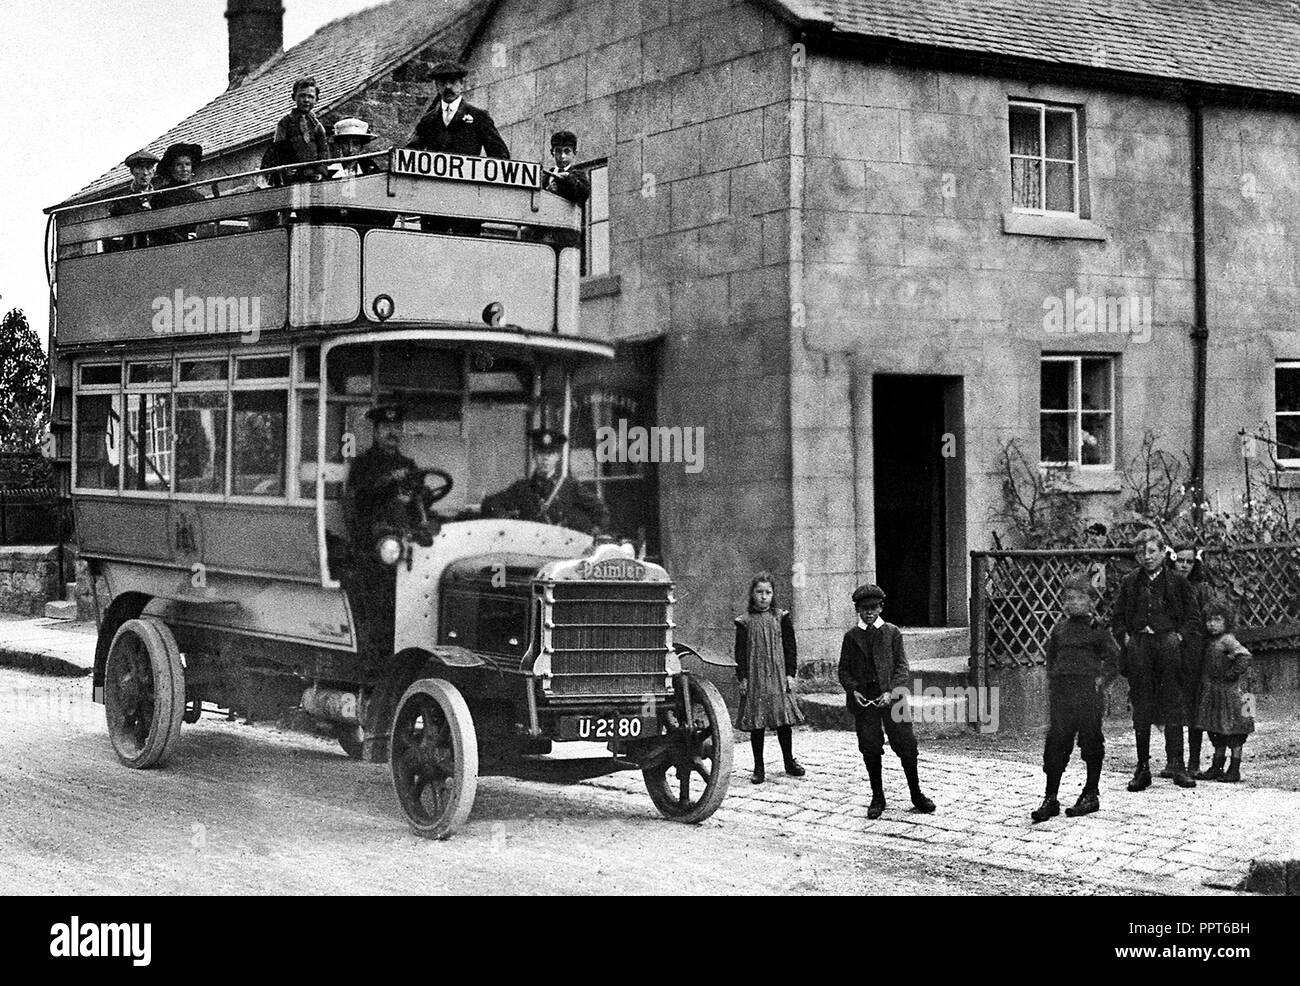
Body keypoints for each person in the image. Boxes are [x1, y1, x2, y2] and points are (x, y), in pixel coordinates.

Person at [1111, 528, 1203, 791]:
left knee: (1173, 702)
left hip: (1168, 648)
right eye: (1141, 552)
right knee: (1142, 706)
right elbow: (1117, 618)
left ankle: (1178, 765)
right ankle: (1142, 768)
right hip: (1140, 648)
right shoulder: (1130, 582)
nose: (1147, 557)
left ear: (1163, 553)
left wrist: (1179, 638)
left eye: (1152, 551)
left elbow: (1193, 618)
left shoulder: (1177, 582)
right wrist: (1127, 640)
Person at [837, 583, 935, 819]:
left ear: (881, 608)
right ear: (857, 610)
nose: (869, 613)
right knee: (870, 746)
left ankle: (916, 793)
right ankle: (877, 796)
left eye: (873, 608)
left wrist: (891, 692)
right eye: (864, 608)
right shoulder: (851, 637)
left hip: (893, 698)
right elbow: (843, 670)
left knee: (906, 745)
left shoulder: (892, 633)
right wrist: (853, 690)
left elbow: (902, 667)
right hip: (866, 701)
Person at [1031, 573, 1120, 822]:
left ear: (1091, 601)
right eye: (1069, 598)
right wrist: (1054, 680)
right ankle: (1051, 797)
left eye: (1080, 598)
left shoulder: (1098, 630)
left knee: (1091, 741)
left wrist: (1101, 681)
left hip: (1088, 694)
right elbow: (1051, 659)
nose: (1074, 603)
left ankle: (1091, 793)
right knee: (1057, 742)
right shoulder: (1060, 629)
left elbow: (1114, 659)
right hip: (1063, 693)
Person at [733, 572, 805, 784]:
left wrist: (790, 674)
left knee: (783, 722)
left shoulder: (781, 617)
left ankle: (789, 762)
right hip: (756, 678)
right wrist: (743, 678)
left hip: (777, 675)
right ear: (752, 594)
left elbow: (790, 648)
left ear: (773, 595)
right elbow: (740, 653)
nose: (763, 597)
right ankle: (758, 767)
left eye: (768, 592)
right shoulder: (744, 622)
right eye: (759, 592)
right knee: (757, 723)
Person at [480, 428, 608, 534]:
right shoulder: (522, 488)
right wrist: (510, 525)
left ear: (557, 457)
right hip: (531, 549)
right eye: (541, 453)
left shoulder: (570, 486)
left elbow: (600, 510)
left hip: (561, 548)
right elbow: (490, 503)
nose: (545, 459)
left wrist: (592, 532)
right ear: (535, 455)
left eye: (550, 454)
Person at [344, 403, 437, 548]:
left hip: (406, 527)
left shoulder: (408, 464)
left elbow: (419, 496)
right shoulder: (363, 463)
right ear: (376, 433)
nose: (392, 432)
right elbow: (358, 499)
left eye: (397, 428)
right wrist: (388, 479)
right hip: (374, 533)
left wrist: (418, 496)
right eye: (386, 427)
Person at [1193, 596, 1255, 783]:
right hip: (1214, 693)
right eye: (1209, 620)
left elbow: (1244, 656)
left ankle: (1234, 769)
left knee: (1235, 731)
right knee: (1216, 730)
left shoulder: (1227, 640)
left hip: (1231, 694)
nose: (1212, 624)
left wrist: (1231, 673)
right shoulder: (1210, 640)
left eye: (1217, 620)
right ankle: (1217, 767)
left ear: (1227, 621)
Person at [407, 60, 510, 158]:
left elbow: (500, 155)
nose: (448, 87)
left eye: (452, 81)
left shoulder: (478, 116)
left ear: (461, 84)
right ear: (437, 86)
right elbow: (409, 154)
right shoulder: (428, 120)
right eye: (442, 82)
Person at [1172, 543, 1213, 776]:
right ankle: (1174, 760)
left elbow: (1207, 620)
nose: (1185, 565)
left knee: (1193, 706)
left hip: (1194, 652)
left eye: (1189, 561)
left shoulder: (1201, 589)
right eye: (1181, 561)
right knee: (1173, 705)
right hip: (1171, 649)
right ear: (1174, 561)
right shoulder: (1167, 586)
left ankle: (1194, 762)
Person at [274, 77, 330, 183]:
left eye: (310, 97)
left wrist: (321, 172)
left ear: (316, 100)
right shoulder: (285, 123)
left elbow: (323, 152)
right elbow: (278, 149)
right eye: (302, 95)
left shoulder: (317, 126)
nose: (306, 100)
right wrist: (286, 169)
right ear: (293, 97)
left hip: (314, 176)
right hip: (293, 176)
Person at [151, 143, 207, 243]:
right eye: (179, 165)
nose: (184, 169)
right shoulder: (160, 195)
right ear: (171, 168)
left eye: (187, 164)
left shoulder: (199, 197)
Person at [106, 150, 159, 250]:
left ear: (153, 172)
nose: (145, 173)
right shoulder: (121, 202)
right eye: (140, 168)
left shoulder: (161, 198)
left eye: (148, 168)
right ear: (132, 172)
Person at [542, 130, 589, 204]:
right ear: (552, 152)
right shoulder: (544, 176)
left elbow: (583, 194)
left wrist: (568, 178)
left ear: (574, 153)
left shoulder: (579, 176)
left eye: (567, 151)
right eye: (558, 151)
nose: (562, 156)